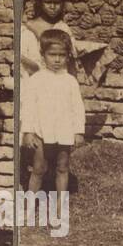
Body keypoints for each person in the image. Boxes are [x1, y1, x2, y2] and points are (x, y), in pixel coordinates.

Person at [20, 29, 84, 195]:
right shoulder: (36, 80)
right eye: (52, 54)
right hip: (41, 130)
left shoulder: (70, 81)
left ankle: (60, 205)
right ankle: (30, 201)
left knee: (62, 167)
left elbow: (78, 107)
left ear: (67, 56)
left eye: (61, 55)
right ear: (43, 54)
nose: (57, 59)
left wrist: (78, 131)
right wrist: (27, 131)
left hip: (64, 130)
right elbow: (28, 106)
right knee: (39, 168)